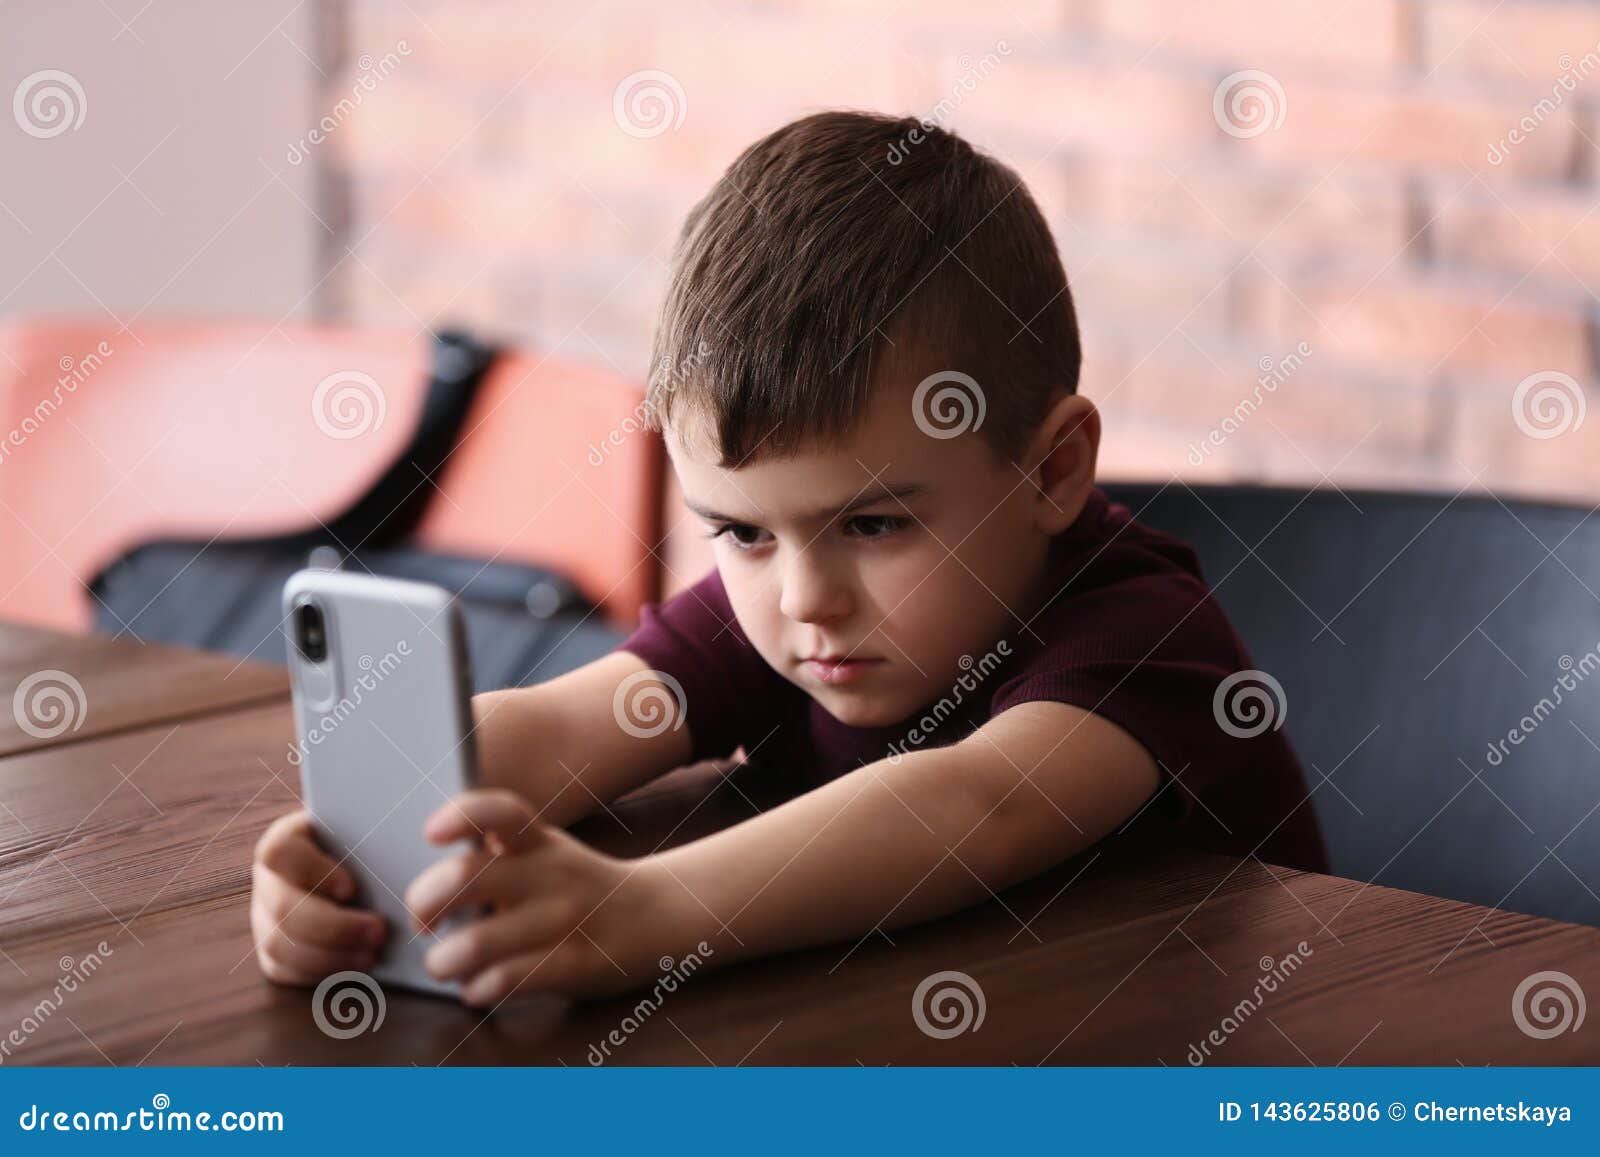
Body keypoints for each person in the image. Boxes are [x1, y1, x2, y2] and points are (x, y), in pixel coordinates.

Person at [251, 110, 1326, 1006]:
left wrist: (636, 913)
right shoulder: (780, 605)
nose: (806, 598)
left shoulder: (1141, 632)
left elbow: (973, 807)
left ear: (1051, 471)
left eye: (873, 526)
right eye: (740, 530)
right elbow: (563, 722)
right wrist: (362, 839)